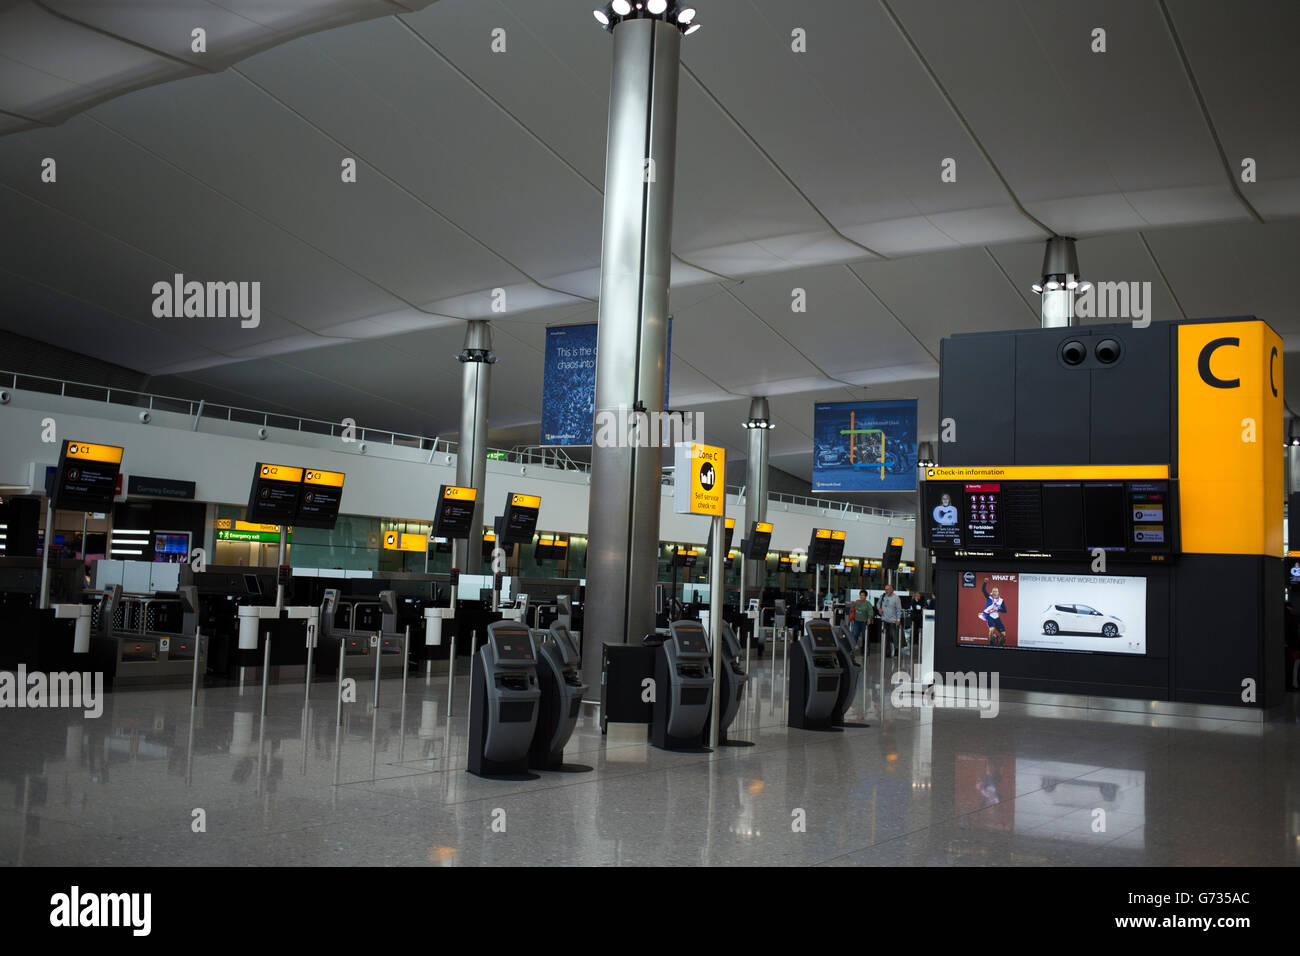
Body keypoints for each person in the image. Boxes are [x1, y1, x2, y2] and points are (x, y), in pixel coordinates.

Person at [978, 578, 1008, 646]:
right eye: (993, 591)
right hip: (989, 616)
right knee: (991, 630)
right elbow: (983, 590)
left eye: (996, 591)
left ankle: (999, 645)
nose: (994, 592)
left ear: (998, 592)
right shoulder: (989, 597)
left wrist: (997, 609)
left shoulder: (1001, 600)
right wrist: (985, 582)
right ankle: (991, 644)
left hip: (997, 617)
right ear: (992, 592)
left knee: (1003, 635)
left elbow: (1005, 610)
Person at [879, 583, 902, 657]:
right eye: (885, 589)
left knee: (894, 637)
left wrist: (898, 619)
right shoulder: (883, 596)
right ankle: (887, 653)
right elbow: (878, 604)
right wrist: (879, 608)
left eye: (888, 589)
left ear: (892, 589)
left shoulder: (896, 598)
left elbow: (899, 609)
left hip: (893, 621)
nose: (886, 591)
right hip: (884, 620)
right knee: (886, 638)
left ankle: (896, 651)